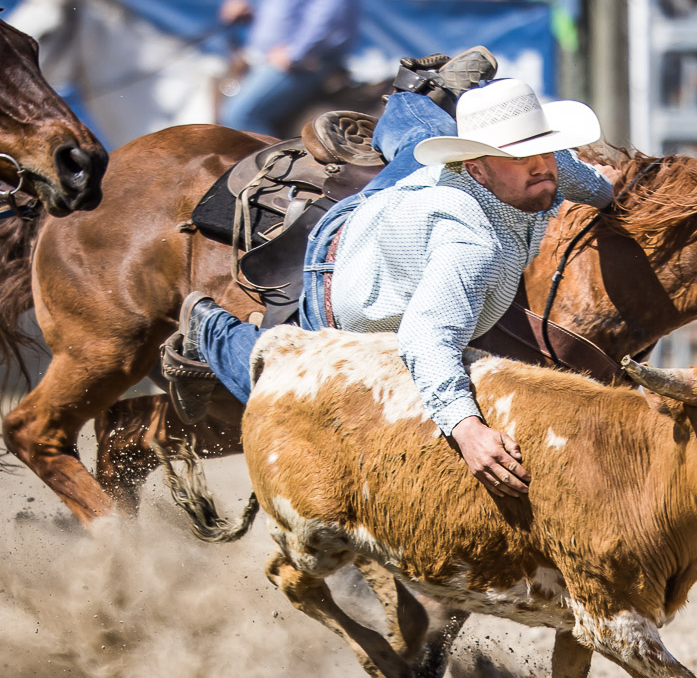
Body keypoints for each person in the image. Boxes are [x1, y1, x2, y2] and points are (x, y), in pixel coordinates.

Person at [165, 52, 614, 499]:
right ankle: (207, 325)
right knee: (287, 392)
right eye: (518, 157)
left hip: (398, 199)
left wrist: (605, 188)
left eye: (543, 149)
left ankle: (412, 96)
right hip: (337, 288)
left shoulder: (531, 174)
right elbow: (426, 339)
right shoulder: (472, 244)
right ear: (475, 167)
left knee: (425, 141)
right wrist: (467, 429)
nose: (540, 165)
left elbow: (571, 173)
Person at [218, 0, 361, 137]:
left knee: (240, 115)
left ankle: (272, 162)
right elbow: (290, 6)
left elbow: (333, 7)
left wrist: (295, 53)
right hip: (272, 59)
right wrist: (251, 12)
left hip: (304, 62)